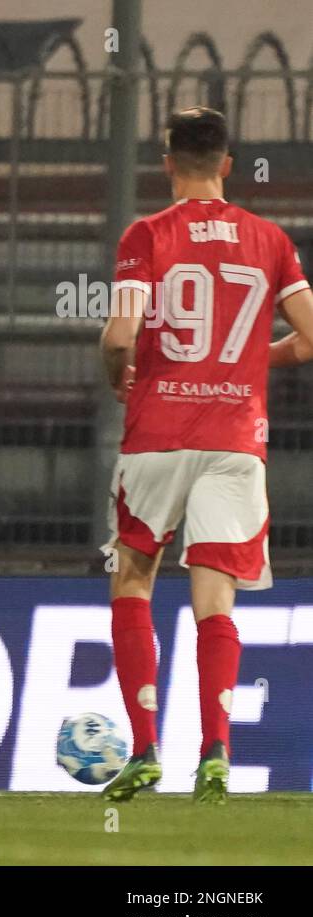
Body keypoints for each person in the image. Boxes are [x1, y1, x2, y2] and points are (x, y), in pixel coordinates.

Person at [98, 107, 313, 804]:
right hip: (234, 442)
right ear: (227, 163)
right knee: (214, 599)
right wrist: (253, 359)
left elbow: (117, 337)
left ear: (168, 163)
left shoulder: (147, 235)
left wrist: (117, 379)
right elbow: (310, 339)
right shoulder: (271, 240)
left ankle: (143, 749)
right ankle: (215, 751)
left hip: (157, 433)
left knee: (133, 580)